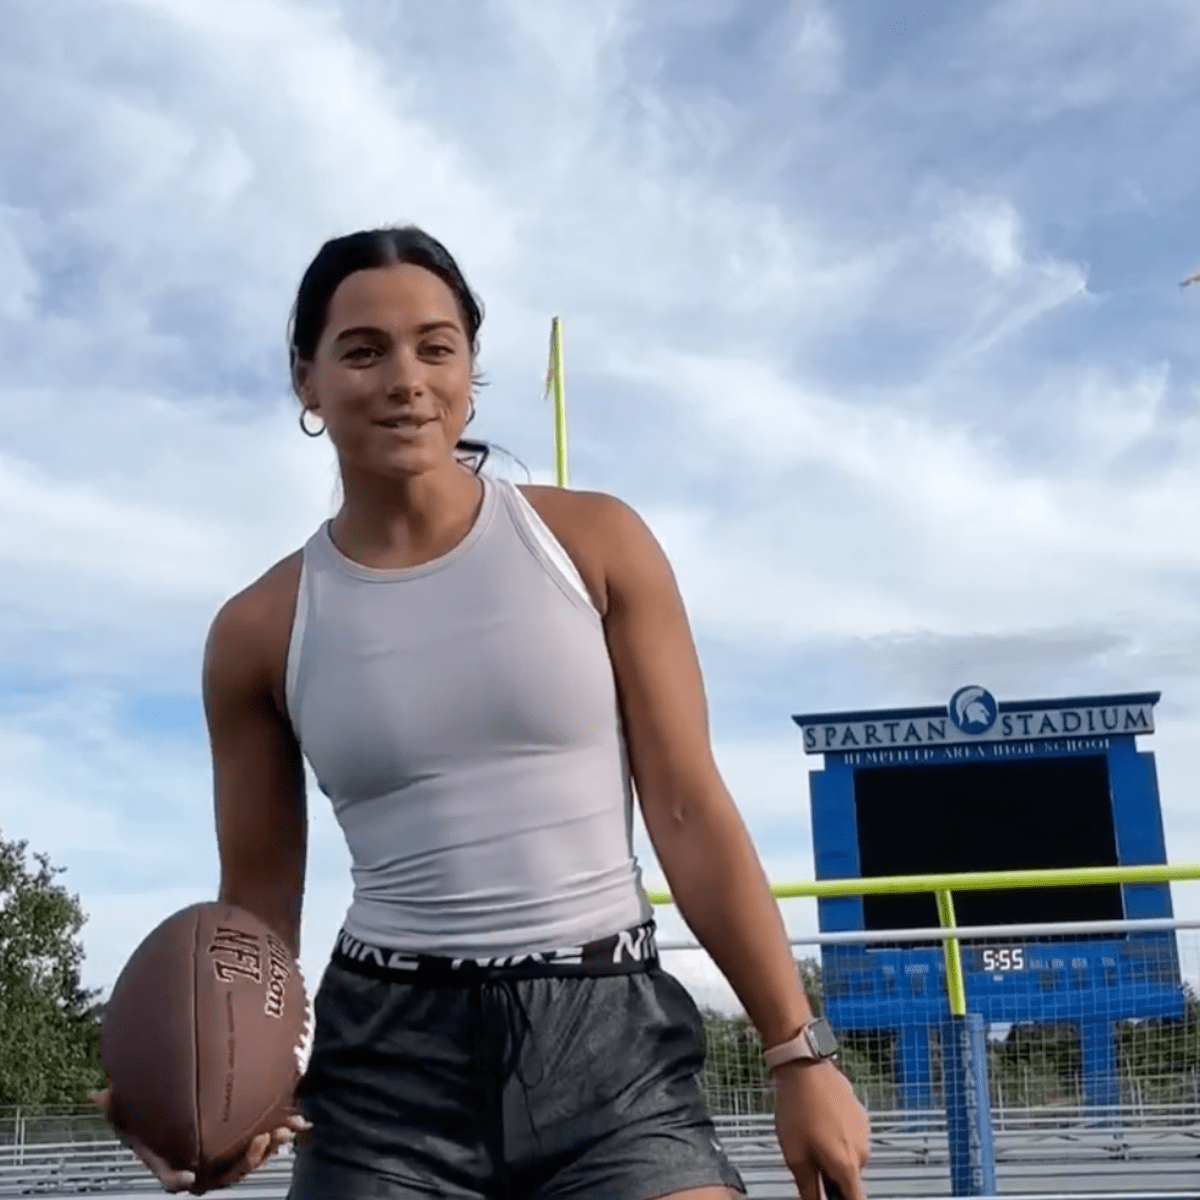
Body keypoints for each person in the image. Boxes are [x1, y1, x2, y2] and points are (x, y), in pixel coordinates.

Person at [97, 226, 870, 1200]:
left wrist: (798, 1051)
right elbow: (258, 898)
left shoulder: (595, 543)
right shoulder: (259, 629)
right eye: (363, 351)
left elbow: (687, 808)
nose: (405, 380)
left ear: (468, 370)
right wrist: (223, 1087)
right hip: (384, 1064)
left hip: (610, 1043)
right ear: (307, 381)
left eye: (436, 347)